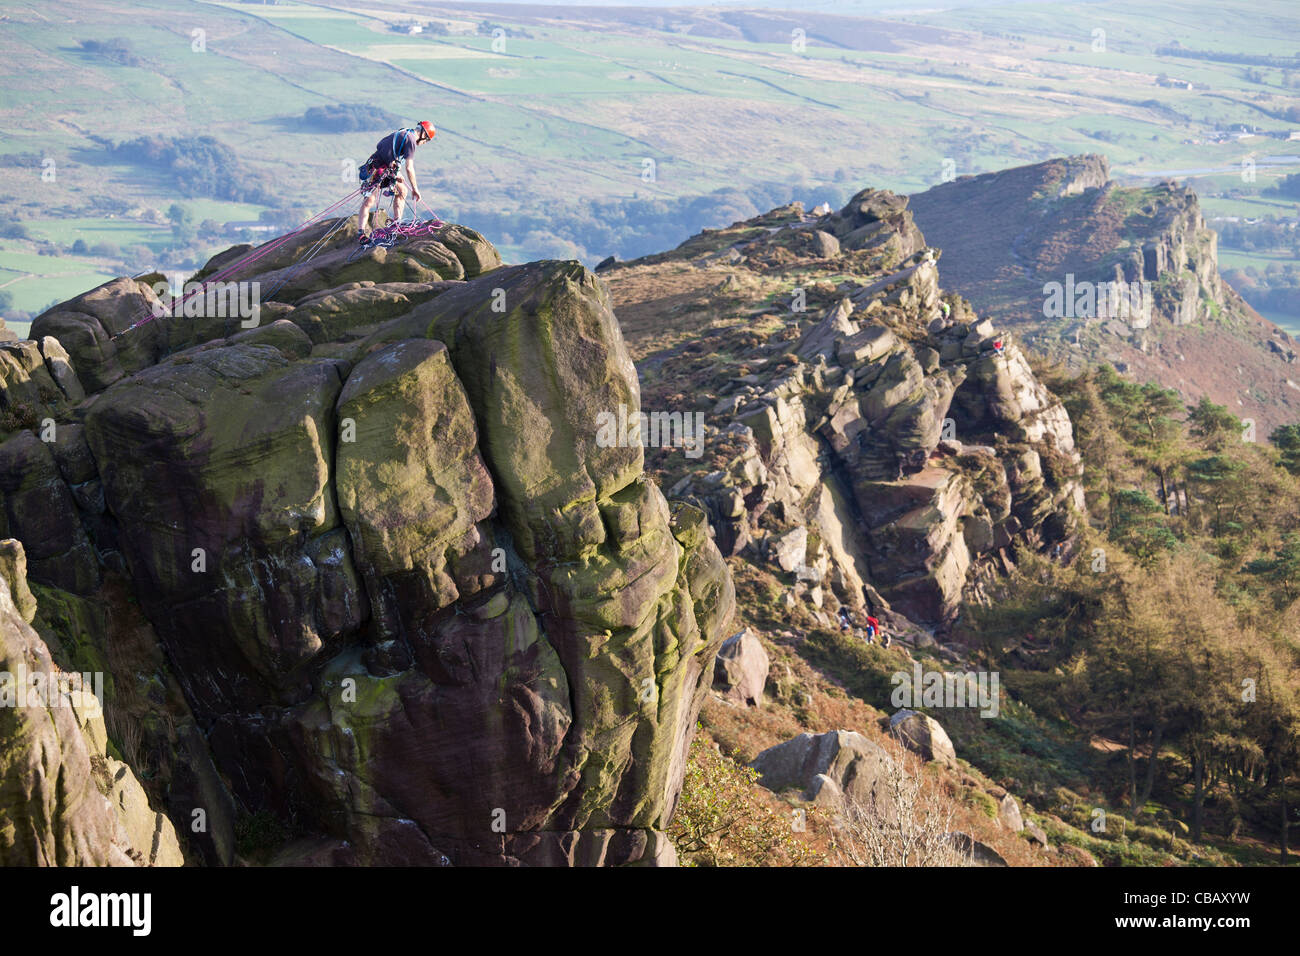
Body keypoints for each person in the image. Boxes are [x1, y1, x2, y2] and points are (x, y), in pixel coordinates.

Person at [357, 121, 435, 242]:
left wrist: (394, 169)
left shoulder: (403, 132)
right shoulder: (411, 140)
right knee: (369, 200)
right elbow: (409, 168)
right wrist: (415, 189)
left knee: (402, 190)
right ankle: (361, 233)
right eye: (427, 140)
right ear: (424, 135)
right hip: (378, 168)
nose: (424, 143)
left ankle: (396, 223)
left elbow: (381, 145)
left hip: (377, 165)